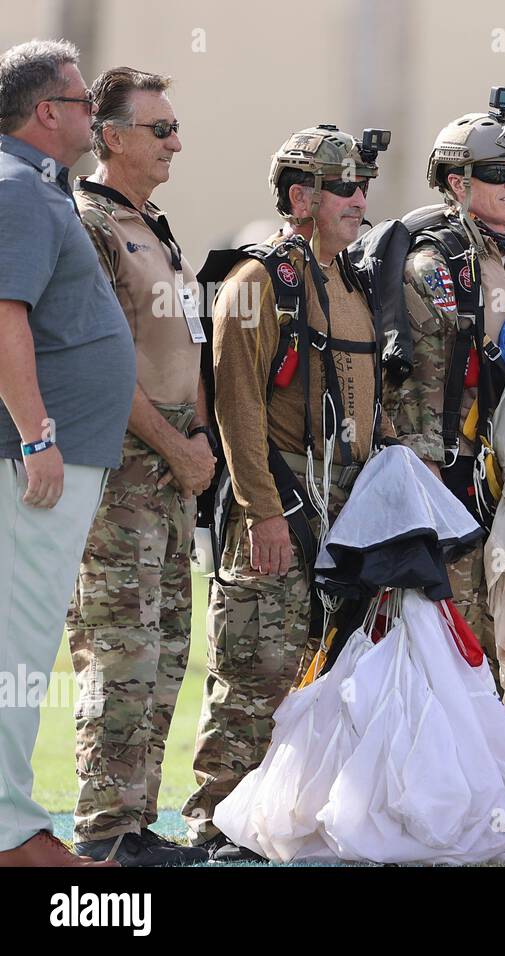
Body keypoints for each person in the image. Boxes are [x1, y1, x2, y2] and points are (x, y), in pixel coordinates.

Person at [182, 124, 395, 860]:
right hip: (277, 499)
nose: (358, 199)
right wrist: (263, 513)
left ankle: (286, 815)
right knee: (254, 667)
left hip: (346, 499)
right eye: (343, 186)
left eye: (362, 186)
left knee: (321, 666)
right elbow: (235, 408)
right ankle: (218, 818)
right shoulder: (257, 283)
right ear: (301, 196)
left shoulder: (353, 279)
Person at [64, 66, 212, 867]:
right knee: (122, 652)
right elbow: (98, 366)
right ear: (111, 137)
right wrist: (177, 444)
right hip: (123, 470)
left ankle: (135, 821)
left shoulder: (149, 224)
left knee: (165, 648)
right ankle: (105, 830)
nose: (176, 143)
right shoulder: (88, 223)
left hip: (165, 472)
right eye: (161, 130)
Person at [0, 38, 133, 868]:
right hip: (38, 460)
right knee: (18, 649)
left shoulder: (33, 188)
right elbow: (5, 318)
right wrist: (37, 434)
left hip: (49, 454)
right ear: (48, 112)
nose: (95, 115)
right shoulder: (18, 190)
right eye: (85, 102)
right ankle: (13, 834)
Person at [381, 93, 505, 684]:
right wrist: (431, 481)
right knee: (453, 627)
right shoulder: (437, 260)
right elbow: (424, 380)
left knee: (497, 630)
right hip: (447, 470)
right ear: (456, 180)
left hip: (499, 472)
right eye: (497, 174)